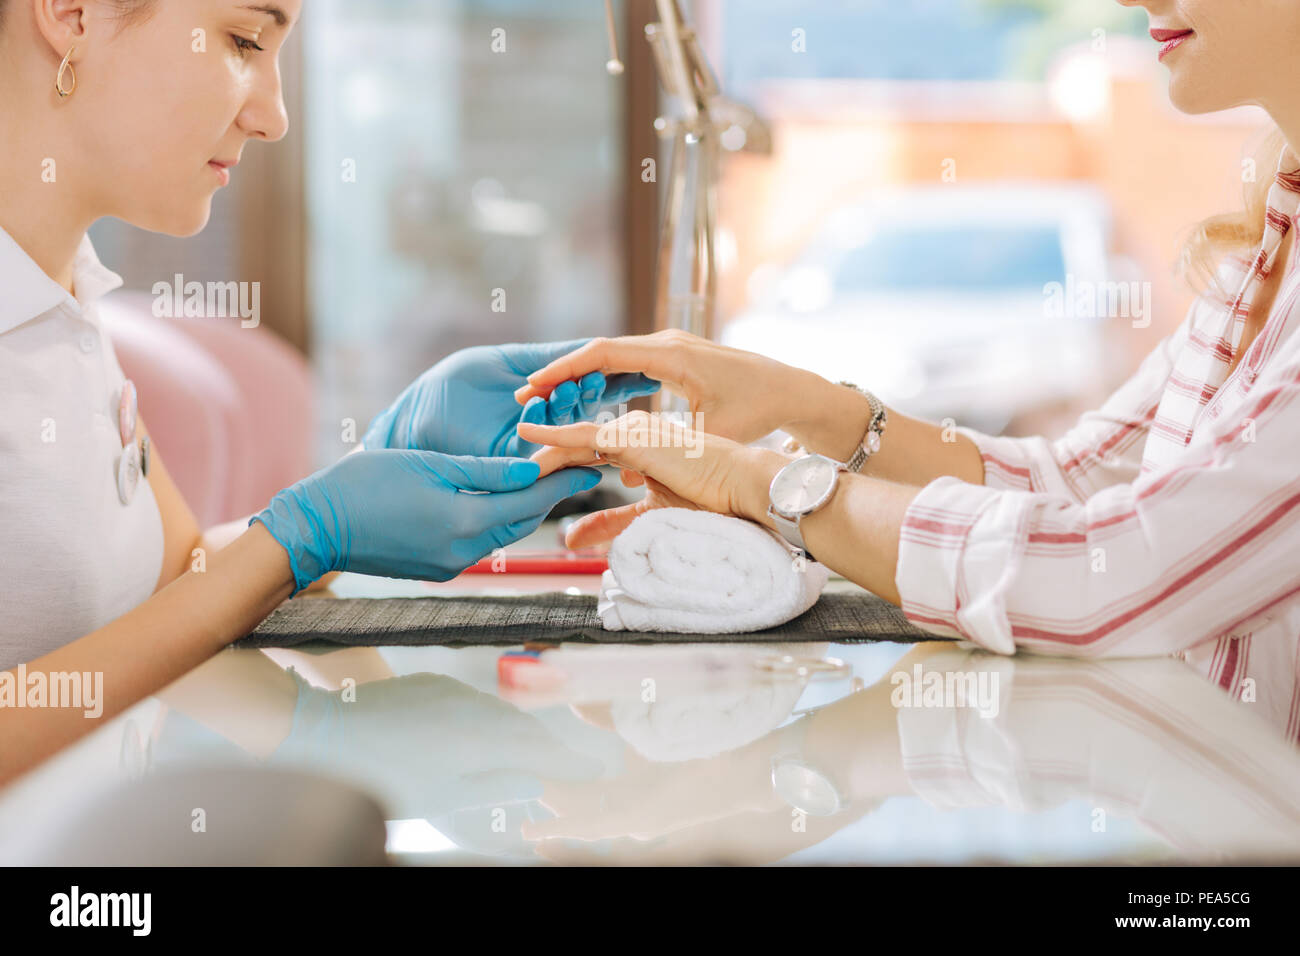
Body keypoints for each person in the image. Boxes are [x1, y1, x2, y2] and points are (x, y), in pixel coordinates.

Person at [519, 0, 1300, 738]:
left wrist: (766, 487)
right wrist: (806, 403)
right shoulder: (1270, 242)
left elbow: (1116, 578)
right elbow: (1076, 481)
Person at [0, 0, 655, 784]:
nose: (273, 116)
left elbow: (181, 581)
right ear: (71, 14)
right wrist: (299, 536)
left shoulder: (62, 298)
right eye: (243, 39)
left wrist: (370, 480)